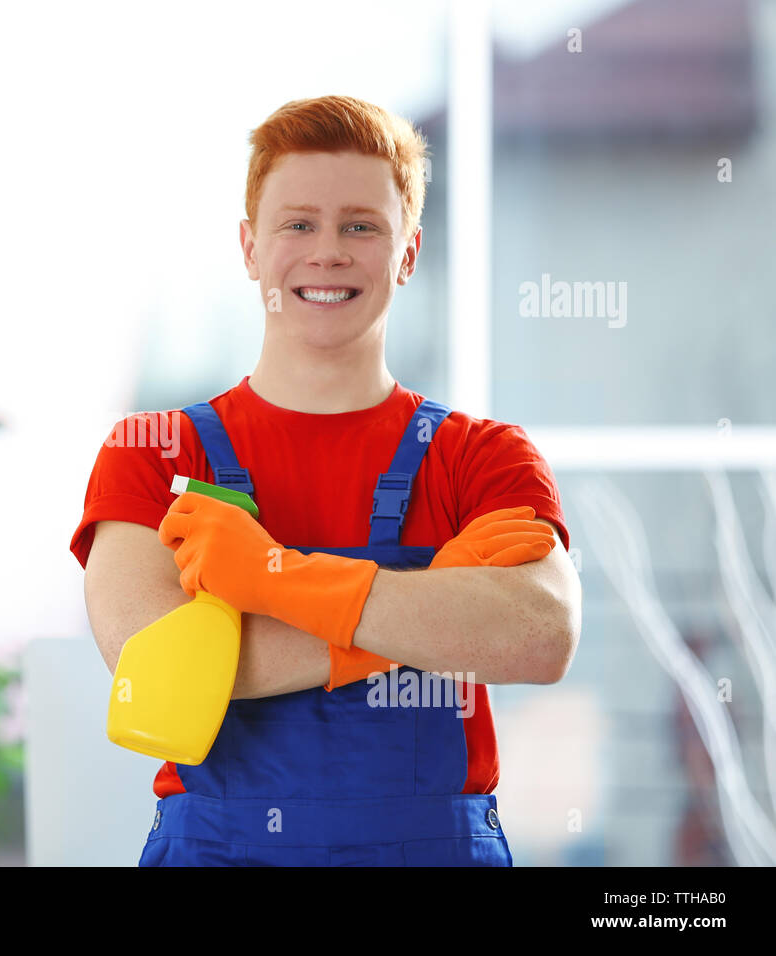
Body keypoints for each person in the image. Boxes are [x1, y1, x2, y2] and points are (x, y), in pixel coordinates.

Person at [69, 94, 582, 866]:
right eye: (298, 223)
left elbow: (540, 635)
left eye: (362, 226)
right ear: (250, 248)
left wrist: (268, 579)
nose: (328, 251)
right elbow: (158, 674)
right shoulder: (155, 452)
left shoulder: (483, 455)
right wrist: (435, 614)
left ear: (407, 253)